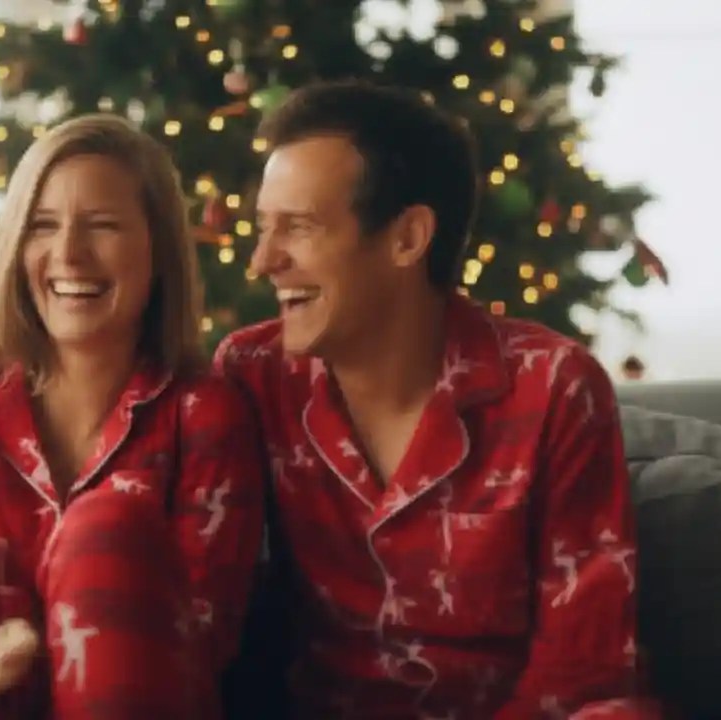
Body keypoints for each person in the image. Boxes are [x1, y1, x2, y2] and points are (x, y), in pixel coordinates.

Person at [214, 81, 660, 718]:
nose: (262, 261)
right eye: (264, 228)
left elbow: (583, 667)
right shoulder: (252, 376)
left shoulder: (553, 386)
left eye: (299, 228)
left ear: (407, 237)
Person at [0, 114, 266, 720]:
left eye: (104, 226)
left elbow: (200, 646)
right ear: (16, 245)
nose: (69, 254)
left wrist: (34, 639)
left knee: (107, 526)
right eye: (42, 226)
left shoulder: (206, 413)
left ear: (160, 251)